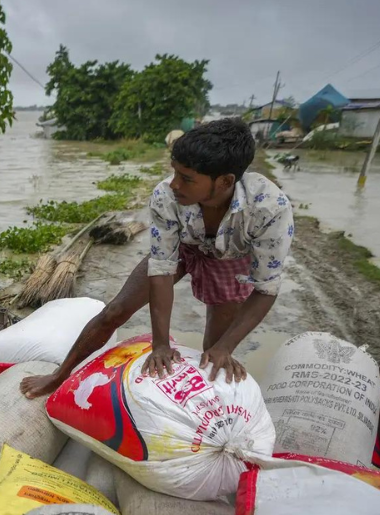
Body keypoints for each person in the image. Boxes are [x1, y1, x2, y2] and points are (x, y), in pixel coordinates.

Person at [21, 117, 293, 399]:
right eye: (174, 172)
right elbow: (162, 268)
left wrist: (227, 347)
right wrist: (160, 343)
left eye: (187, 179)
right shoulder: (167, 195)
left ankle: (201, 406)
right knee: (114, 311)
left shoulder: (269, 208)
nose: (174, 184)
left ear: (225, 181)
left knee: (215, 351)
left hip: (230, 259)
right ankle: (59, 375)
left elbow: (266, 288)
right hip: (183, 248)